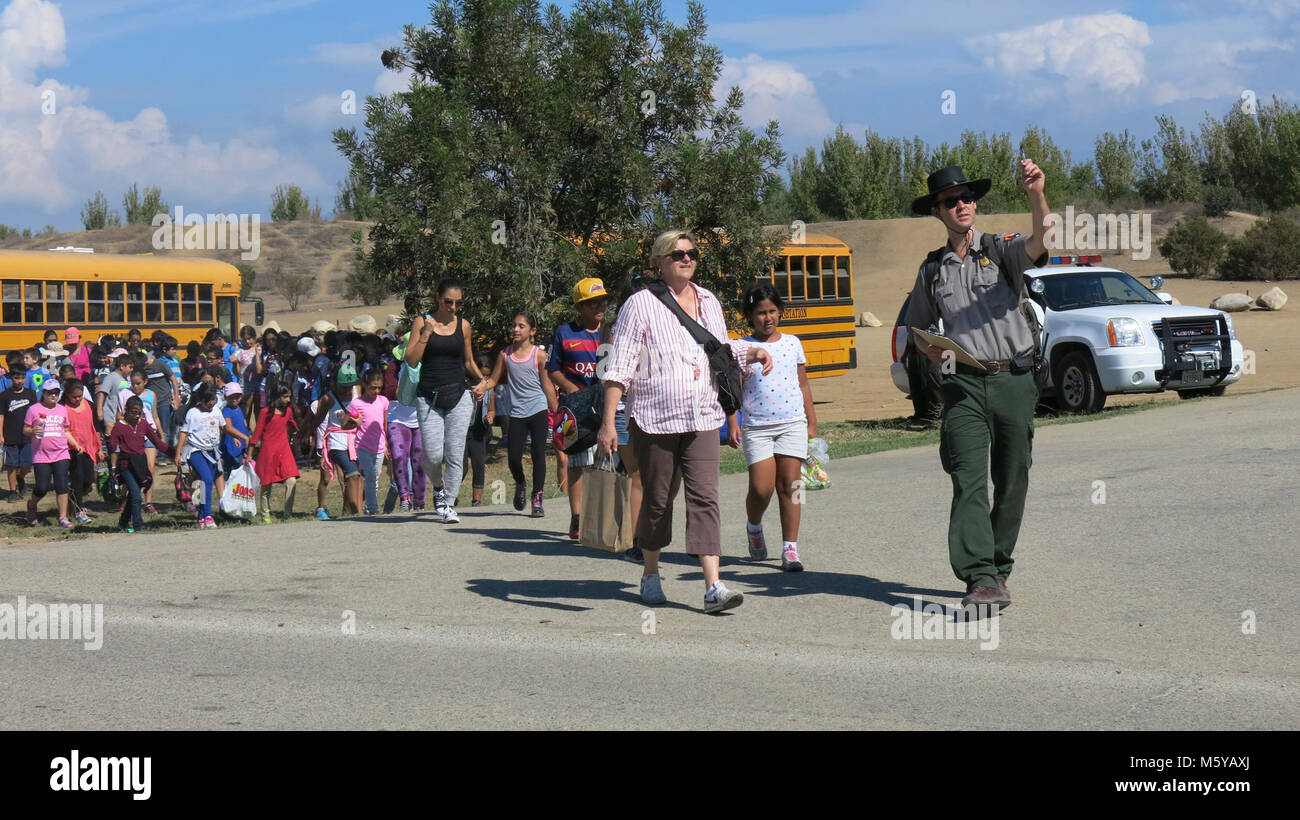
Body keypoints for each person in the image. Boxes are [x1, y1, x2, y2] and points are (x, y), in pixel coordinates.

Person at [598, 230, 771, 614]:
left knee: (706, 497)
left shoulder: (709, 300)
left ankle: (713, 586)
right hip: (655, 419)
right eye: (678, 254)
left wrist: (752, 353)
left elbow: (721, 356)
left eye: (692, 253)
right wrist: (609, 422)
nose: (687, 259)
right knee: (659, 501)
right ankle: (650, 572)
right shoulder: (639, 305)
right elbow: (619, 366)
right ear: (659, 262)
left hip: (703, 416)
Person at [903, 161, 1049, 610]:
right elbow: (918, 326)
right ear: (937, 211)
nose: (961, 204)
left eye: (967, 197)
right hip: (962, 386)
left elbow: (1043, 241)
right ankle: (980, 577)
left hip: (1015, 380)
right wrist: (929, 348)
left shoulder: (1000, 249)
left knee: (1012, 479)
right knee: (967, 479)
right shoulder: (933, 269)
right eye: (951, 201)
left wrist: (1036, 194)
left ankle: (998, 566)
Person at [728, 283, 817, 572]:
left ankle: (790, 549)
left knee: (791, 485)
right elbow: (734, 388)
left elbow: (803, 384)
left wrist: (811, 422)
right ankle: (754, 527)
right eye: (760, 313)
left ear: (780, 312)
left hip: (793, 423)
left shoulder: (793, 343)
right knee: (761, 488)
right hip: (757, 427)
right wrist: (734, 422)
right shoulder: (742, 348)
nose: (767, 318)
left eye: (772, 311)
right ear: (749, 316)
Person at [403, 278, 489, 524]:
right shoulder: (422, 322)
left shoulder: (464, 326)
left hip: (459, 395)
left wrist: (482, 380)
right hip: (428, 396)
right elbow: (411, 359)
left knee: (454, 454)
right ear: (437, 298)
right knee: (431, 455)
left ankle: (448, 504)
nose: (453, 307)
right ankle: (438, 488)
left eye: (458, 303)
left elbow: (468, 361)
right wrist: (426, 333)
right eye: (448, 301)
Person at [547, 278, 607, 538]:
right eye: (592, 303)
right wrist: (570, 388)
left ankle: (601, 516)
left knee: (605, 463)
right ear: (579, 307)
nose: (599, 306)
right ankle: (577, 518)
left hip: (606, 405)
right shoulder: (564, 332)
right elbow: (552, 369)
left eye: (602, 301)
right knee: (577, 463)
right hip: (575, 408)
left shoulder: (612, 331)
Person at [484, 313, 558, 517]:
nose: (515, 329)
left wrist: (556, 411)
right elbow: (493, 381)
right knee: (514, 458)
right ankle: (521, 484)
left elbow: (547, 385)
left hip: (539, 410)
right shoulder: (505, 355)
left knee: (538, 454)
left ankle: (537, 498)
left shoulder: (539, 355)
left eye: (521, 326)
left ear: (532, 331)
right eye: (514, 326)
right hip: (516, 413)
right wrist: (482, 386)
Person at [23, 380, 84, 528]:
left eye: (56, 392)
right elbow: (25, 429)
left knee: (62, 485)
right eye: (50, 392)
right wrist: (32, 431)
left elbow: (66, 430)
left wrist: (75, 444)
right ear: (43, 393)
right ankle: (31, 505)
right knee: (42, 487)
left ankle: (62, 517)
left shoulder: (62, 409)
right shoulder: (33, 409)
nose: (53, 395)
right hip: (41, 455)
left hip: (61, 453)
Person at [107, 395, 170, 533]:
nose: (136, 416)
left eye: (139, 412)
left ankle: (123, 522)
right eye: (133, 412)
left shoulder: (143, 424)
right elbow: (113, 448)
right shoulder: (119, 427)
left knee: (132, 496)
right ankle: (138, 524)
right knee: (136, 494)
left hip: (140, 465)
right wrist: (112, 470)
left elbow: (157, 442)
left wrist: (172, 452)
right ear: (126, 411)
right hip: (125, 465)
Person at [312, 365, 364, 516]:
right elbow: (317, 420)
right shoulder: (328, 398)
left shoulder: (357, 391)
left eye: (349, 387)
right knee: (352, 475)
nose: (347, 390)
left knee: (361, 479)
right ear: (335, 384)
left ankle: (348, 512)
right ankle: (357, 513)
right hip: (335, 442)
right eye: (343, 387)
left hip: (355, 442)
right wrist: (308, 436)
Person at [176, 383, 225, 529]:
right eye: (208, 401)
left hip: (212, 451)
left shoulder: (216, 410)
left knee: (205, 484)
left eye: (214, 399)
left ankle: (202, 516)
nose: (212, 403)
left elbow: (224, 427)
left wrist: (238, 437)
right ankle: (208, 515)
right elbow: (184, 433)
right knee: (207, 479)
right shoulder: (193, 413)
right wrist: (178, 453)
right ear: (201, 400)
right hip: (196, 451)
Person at [387, 335, 425, 513]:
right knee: (398, 457)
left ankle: (419, 502)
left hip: (421, 419)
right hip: (397, 418)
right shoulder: (394, 368)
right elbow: (390, 391)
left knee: (419, 462)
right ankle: (404, 497)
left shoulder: (427, 367)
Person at [249, 384, 298, 522]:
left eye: (289, 396)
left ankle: (287, 513)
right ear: (277, 397)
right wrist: (250, 453)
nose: (288, 400)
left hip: (284, 451)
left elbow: (292, 424)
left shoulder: (288, 411)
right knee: (266, 485)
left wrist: (298, 432)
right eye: (285, 397)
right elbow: (257, 432)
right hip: (268, 452)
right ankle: (265, 514)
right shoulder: (265, 412)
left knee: (291, 480)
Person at [118, 370, 164, 515]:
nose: (135, 387)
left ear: (145, 382)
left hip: (149, 433)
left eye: (138, 383)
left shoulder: (151, 395)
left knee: (150, 467)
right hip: (133, 434)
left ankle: (148, 501)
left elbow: (155, 415)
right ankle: (126, 498)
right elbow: (120, 414)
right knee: (130, 468)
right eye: (133, 384)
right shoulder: (125, 394)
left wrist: (161, 434)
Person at [61, 378, 101, 524]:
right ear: (66, 394)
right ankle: (79, 509)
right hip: (70, 449)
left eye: (80, 396)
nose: (77, 399)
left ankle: (74, 500)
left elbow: (95, 427)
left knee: (89, 479)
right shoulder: (62, 407)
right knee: (77, 478)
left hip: (88, 447)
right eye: (74, 396)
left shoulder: (89, 405)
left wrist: (99, 447)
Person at [352, 369, 391, 516]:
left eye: (379, 387)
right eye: (372, 387)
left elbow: (384, 424)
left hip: (379, 446)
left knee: (374, 478)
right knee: (370, 474)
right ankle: (373, 508)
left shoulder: (383, 401)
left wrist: (386, 443)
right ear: (364, 385)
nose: (376, 390)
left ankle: (369, 507)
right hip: (362, 446)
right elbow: (349, 422)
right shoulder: (357, 403)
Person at [0, 365, 35, 500]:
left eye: (22, 378)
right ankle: (13, 491)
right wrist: (1, 434)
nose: (19, 381)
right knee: (11, 465)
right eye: (16, 378)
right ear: (11, 378)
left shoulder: (30, 394)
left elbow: (35, 413)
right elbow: (1, 415)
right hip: (10, 435)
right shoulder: (4, 396)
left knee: (27, 465)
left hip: (27, 435)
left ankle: (21, 478)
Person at [96, 354, 133, 437]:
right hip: (110, 416)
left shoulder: (125, 379)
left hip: (121, 417)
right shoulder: (111, 377)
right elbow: (102, 393)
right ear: (122, 366)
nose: (132, 370)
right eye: (130, 367)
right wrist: (99, 412)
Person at [220, 382, 251, 478]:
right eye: (231, 397)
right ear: (225, 397)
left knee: (241, 471)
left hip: (241, 445)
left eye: (237, 397)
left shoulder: (239, 409)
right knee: (233, 471)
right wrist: (242, 437)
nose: (234, 399)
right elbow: (227, 427)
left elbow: (244, 424)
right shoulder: (226, 411)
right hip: (231, 446)